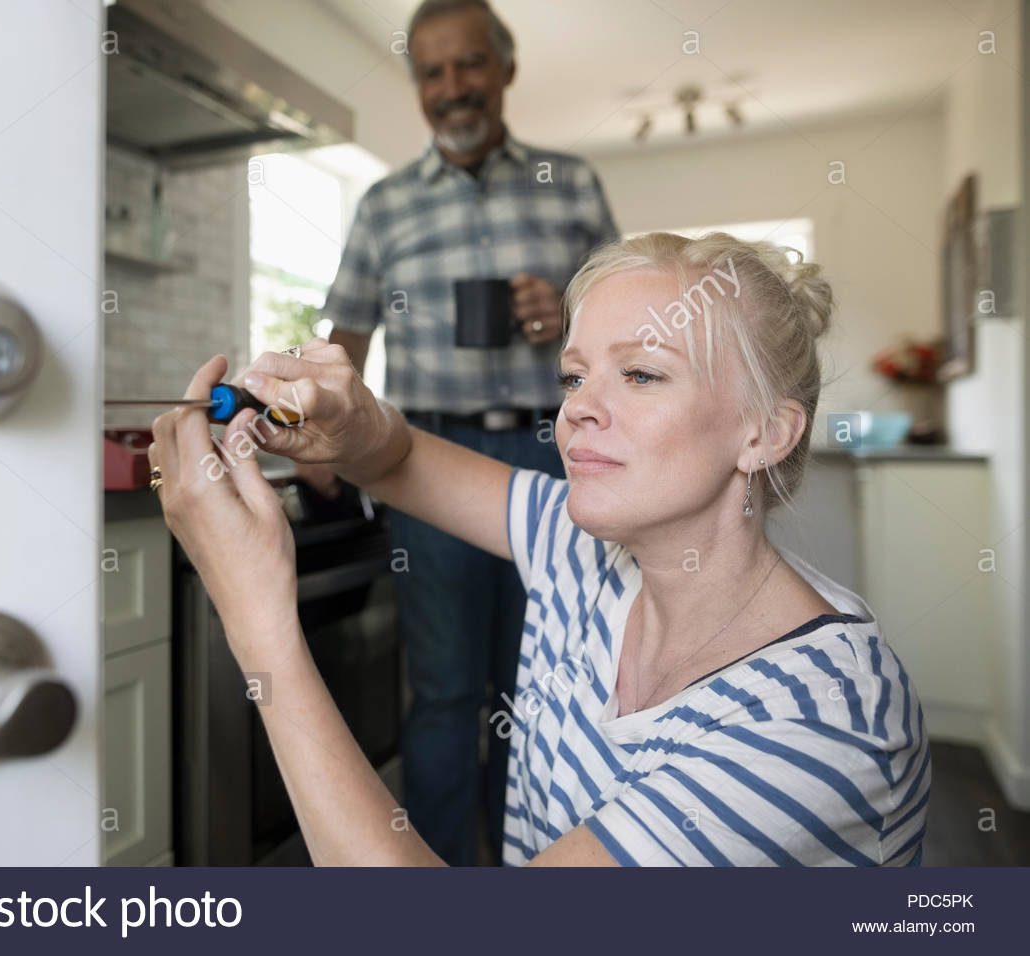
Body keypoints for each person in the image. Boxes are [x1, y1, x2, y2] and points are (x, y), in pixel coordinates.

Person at [148, 231, 931, 865]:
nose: (580, 409)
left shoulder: (818, 720)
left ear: (764, 432)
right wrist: (349, 421)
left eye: (642, 374)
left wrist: (257, 626)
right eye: (573, 376)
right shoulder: (579, 546)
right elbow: (399, 459)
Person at [300, 0, 619, 865]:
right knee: (442, 693)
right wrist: (325, 426)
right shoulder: (383, 204)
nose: (452, 88)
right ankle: (434, 890)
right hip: (424, 460)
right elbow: (347, 337)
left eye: (469, 65)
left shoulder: (574, 183)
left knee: (544, 688)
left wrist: (571, 313)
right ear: (417, 86)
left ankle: (529, 875)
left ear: (505, 69)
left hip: (555, 459)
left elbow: (632, 330)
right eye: (431, 72)